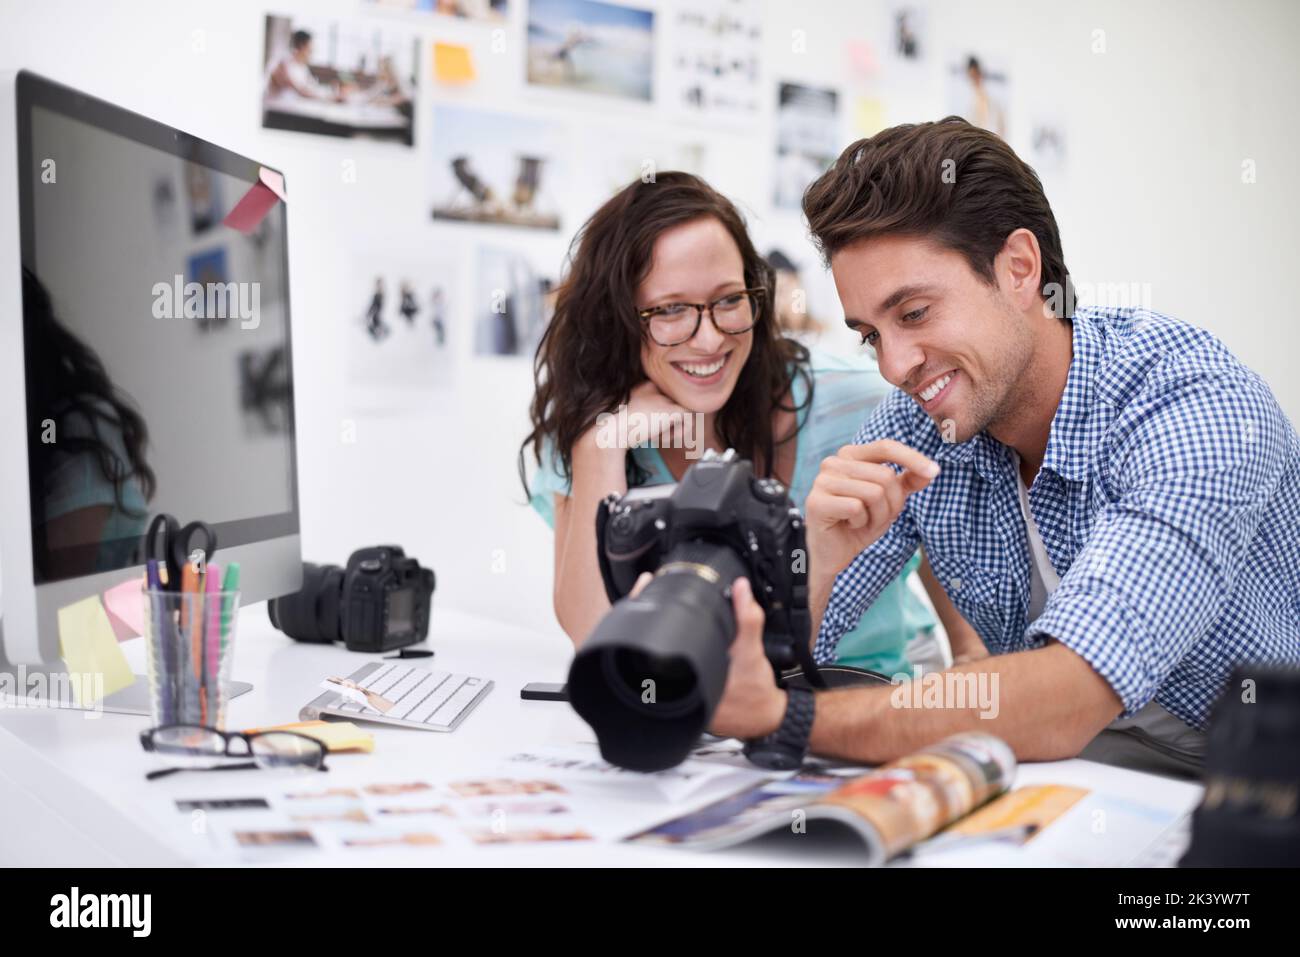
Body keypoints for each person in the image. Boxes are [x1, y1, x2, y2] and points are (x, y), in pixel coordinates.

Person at [704, 117, 1300, 778]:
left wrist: (789, 719)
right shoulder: (916, 423)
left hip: (1253, 782)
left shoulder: (1196, 403)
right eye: (871, 334)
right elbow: (760, 664)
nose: (895, 365)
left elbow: (1073, 693)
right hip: (1071, 774)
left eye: (914, 313)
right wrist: (814, 563)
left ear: (1019, 269)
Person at [521, 172, 980, 677]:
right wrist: (601, 448)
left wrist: (969, 660)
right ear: (619, 319)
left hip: (870, 686)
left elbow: (941, 522)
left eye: (727, 300)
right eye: (671, 309)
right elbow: (596, 635)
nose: (710, 339)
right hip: (709, 713)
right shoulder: (590, 432)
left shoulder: (862, 402)